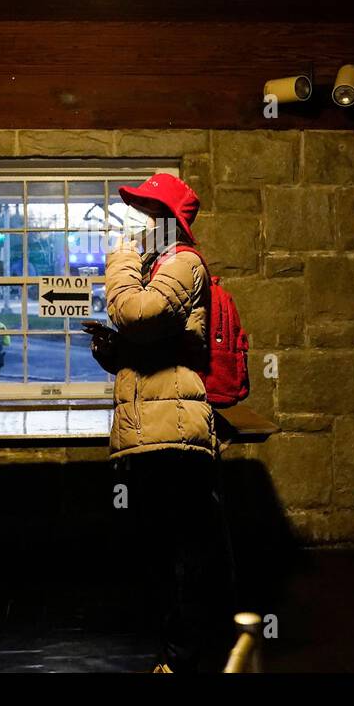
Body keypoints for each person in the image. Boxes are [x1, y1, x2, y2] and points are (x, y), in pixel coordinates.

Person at [90, 173, 231, 673]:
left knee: (185, 551)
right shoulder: (156, 265)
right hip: (151, 423)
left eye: (148, 213)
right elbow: (146, 343)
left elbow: (138, 313)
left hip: (172, 426)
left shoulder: (182, 262)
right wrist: (114, 353)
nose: (138, 224)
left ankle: (187, 657)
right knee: (166, 547)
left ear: (168, 221)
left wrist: (121, 262)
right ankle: (179, 652)